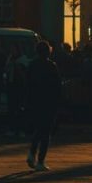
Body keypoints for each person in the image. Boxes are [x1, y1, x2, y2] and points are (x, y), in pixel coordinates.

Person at [25, 39, 62, 171]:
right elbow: (57, 86)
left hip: (35, 102)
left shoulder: (32, 65)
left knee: (39, 129)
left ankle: (31, 153)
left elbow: (27, 85)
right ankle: (40, 161)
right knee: (46, 132)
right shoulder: (52, 66)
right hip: (49, 102)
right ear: (48, 52)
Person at [4, 43, 27, 136]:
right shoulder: (10, 59)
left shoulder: (22, 60)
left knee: (20, 108)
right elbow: (6, 70)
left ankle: (20, 128)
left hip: (19, 86)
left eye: (14, 49)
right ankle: (12, 128)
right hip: (11, 85)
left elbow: (23, 74)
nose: (12, 51)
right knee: (11, 108)